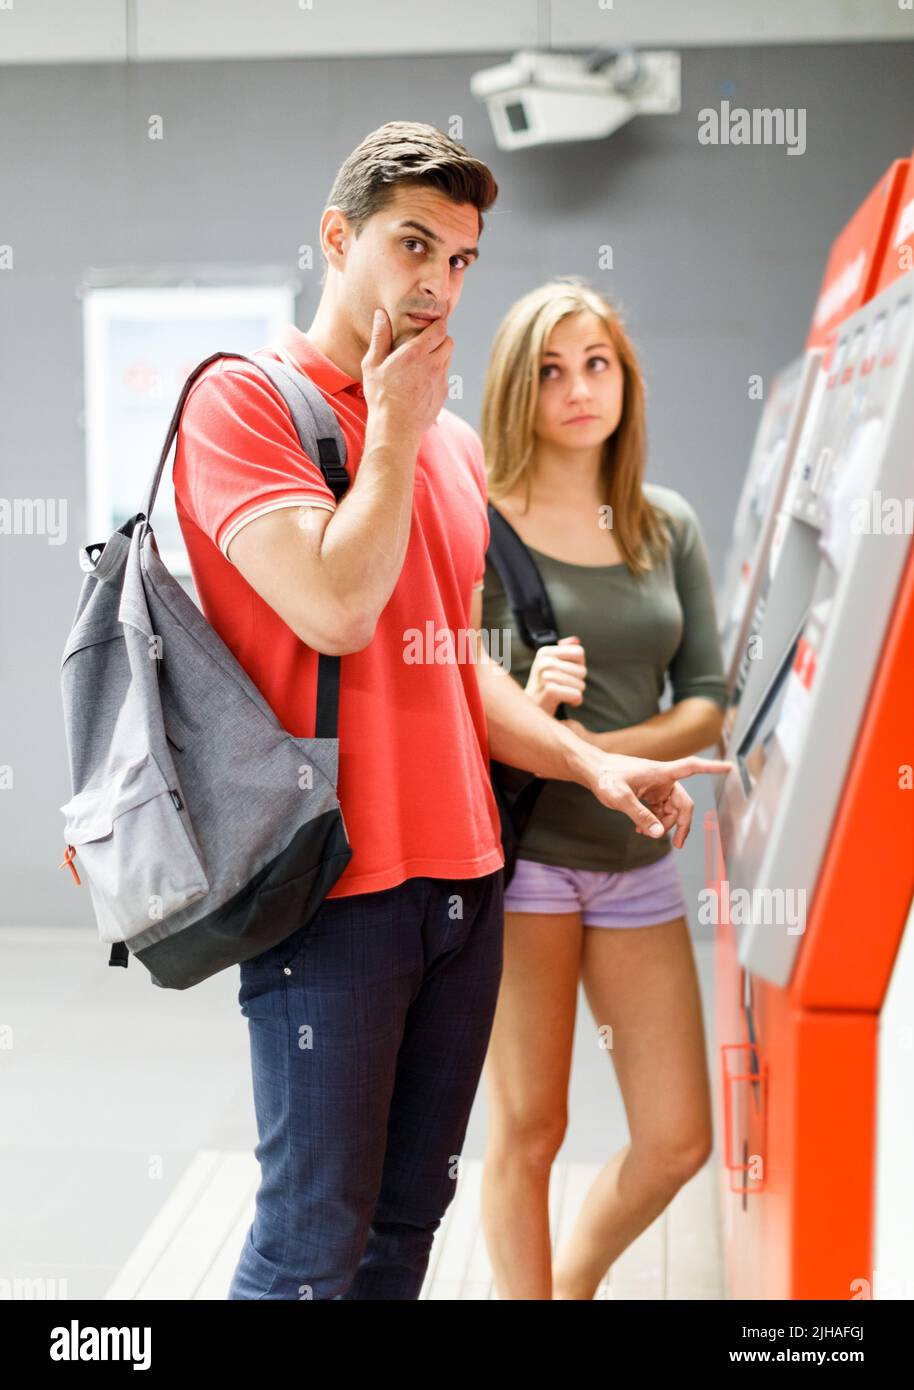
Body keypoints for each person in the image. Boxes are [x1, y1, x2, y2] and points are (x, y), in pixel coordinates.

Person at [173, 122, 730, 1301]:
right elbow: (332, 603)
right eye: (410, 243)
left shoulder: (457, 447)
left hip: (467, 888)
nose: (436, 281)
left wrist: (587, 762)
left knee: (404, 1225)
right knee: (310, 1234)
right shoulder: (243, 404)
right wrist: (391, 432)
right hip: (332, 896)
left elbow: (453, 671)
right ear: (339, 239)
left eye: (462, 258)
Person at [478, 278, 728, 1300]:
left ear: (623, 378)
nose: (578, 388)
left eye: (596, 364)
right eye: (549, 370)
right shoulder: (479, 521)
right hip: (527, 858)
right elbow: (460, 698)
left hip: (633, 864)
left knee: (675, 1138)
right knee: (530, 1126)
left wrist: (604, 755)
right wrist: (532, 710)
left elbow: (707, 695)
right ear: (514, 389)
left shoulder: (665, 525)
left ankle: (569, 1281)